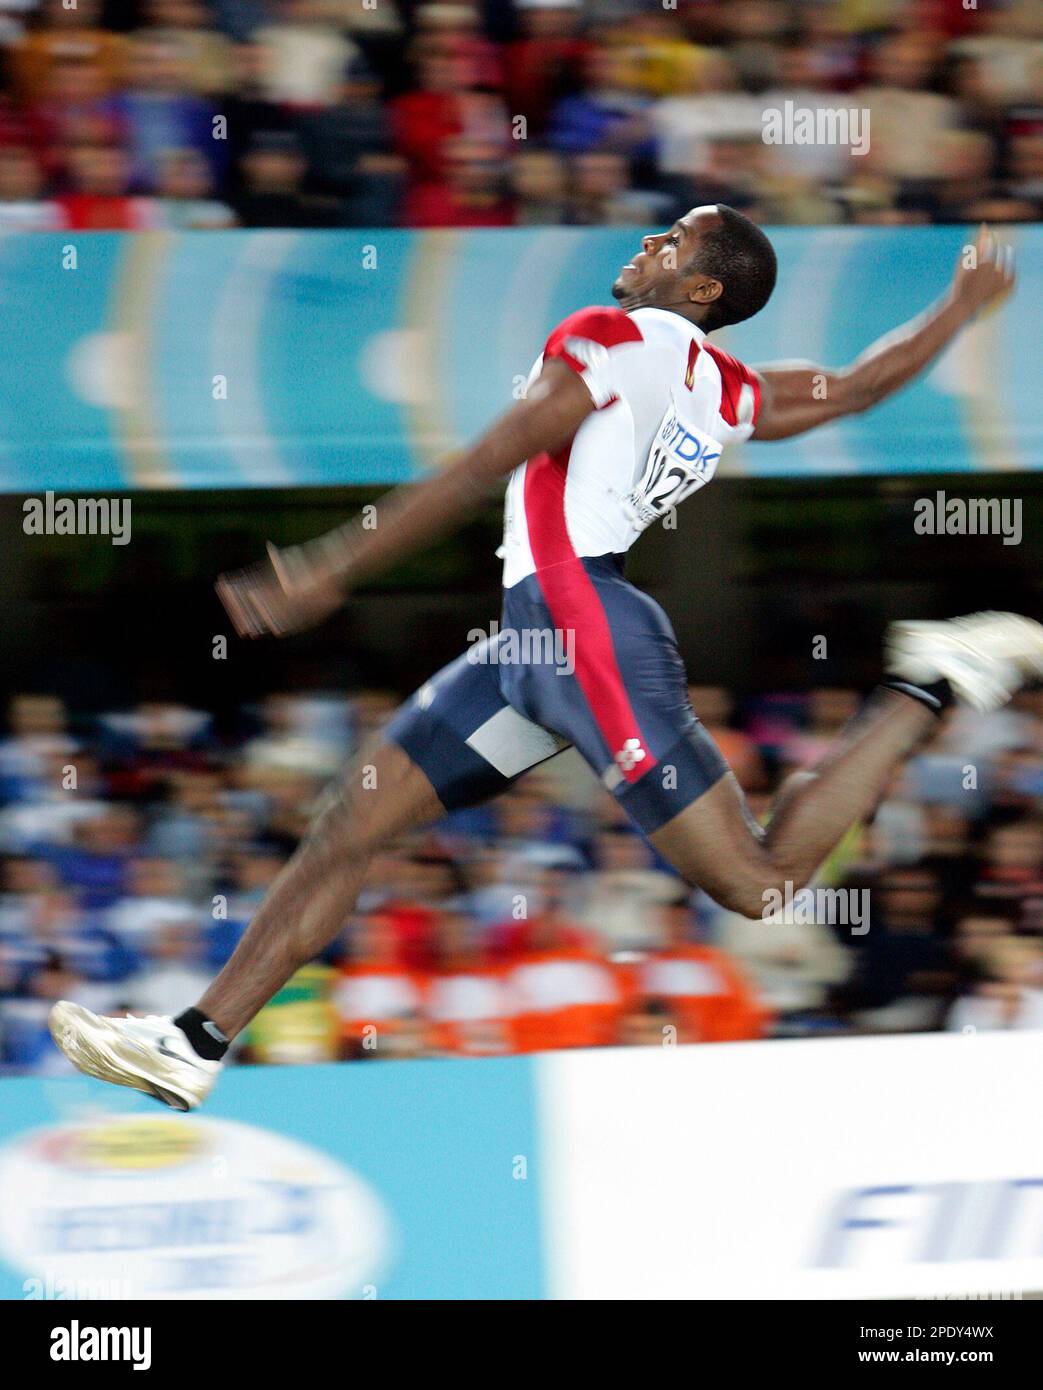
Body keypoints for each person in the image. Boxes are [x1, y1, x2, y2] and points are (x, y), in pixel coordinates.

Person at [49, 206, 1040, 1111]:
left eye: (675, 239)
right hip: (534, 639)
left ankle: (928, 679)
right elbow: (859, 386)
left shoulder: (607, 335)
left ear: (701, 290)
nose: (651, 240)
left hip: (580, 627)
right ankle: (195, 1039)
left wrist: (328, 566)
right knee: (350, 817)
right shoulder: (727, 388)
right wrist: (952, 308)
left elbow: (487, 462)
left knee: (757, 881)